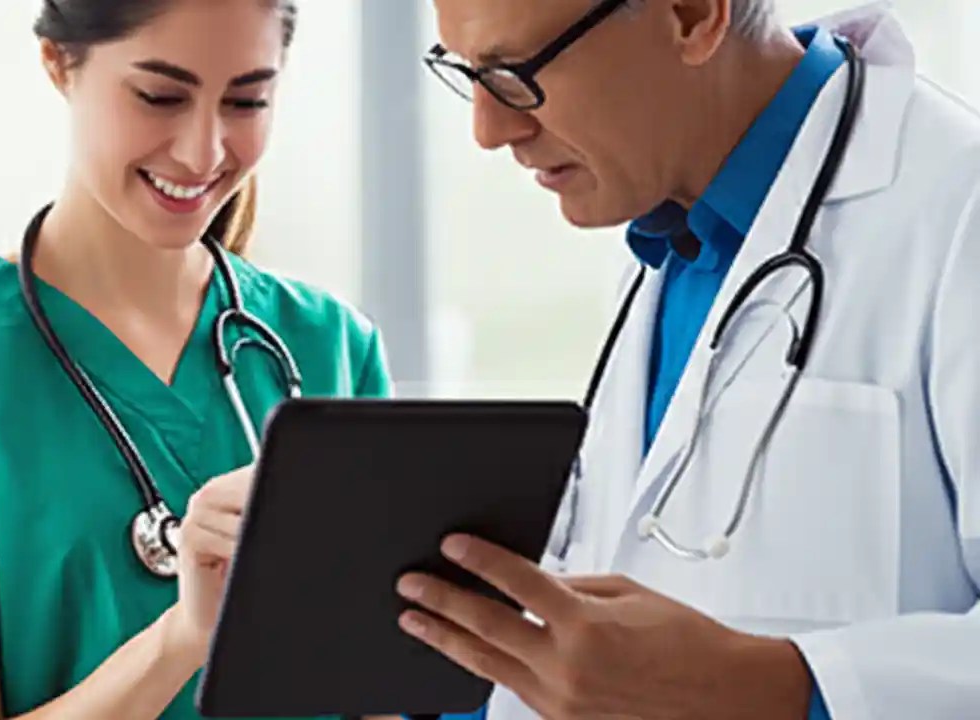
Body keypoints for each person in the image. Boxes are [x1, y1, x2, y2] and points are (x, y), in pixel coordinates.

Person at [0, 1, 395, 718]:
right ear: (58, 63)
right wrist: (181, 640)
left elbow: (381, 694)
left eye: (246, 102)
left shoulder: (332, 349)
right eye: (160, 96)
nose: (203, 153)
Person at [397, 1, 980, 718]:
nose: (490, 131)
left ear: (692, 15)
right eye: (469, 74)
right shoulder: (664, 240)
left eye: (515, 73)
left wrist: (770, 686)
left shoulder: (958, 214)